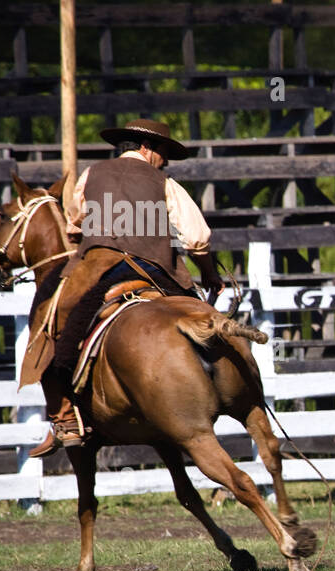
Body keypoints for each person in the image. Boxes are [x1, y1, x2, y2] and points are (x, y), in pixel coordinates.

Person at [26, 118, 223, 457]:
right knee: (203, 321)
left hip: (100, 272)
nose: (166, 161)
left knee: (47, 322)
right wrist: (210, 274)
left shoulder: (93, 174)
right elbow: (197, 238)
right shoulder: (165, 183)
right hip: (156, 270)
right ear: (146, 148)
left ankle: (63, 417)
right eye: (164, 153)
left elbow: (75, 221)